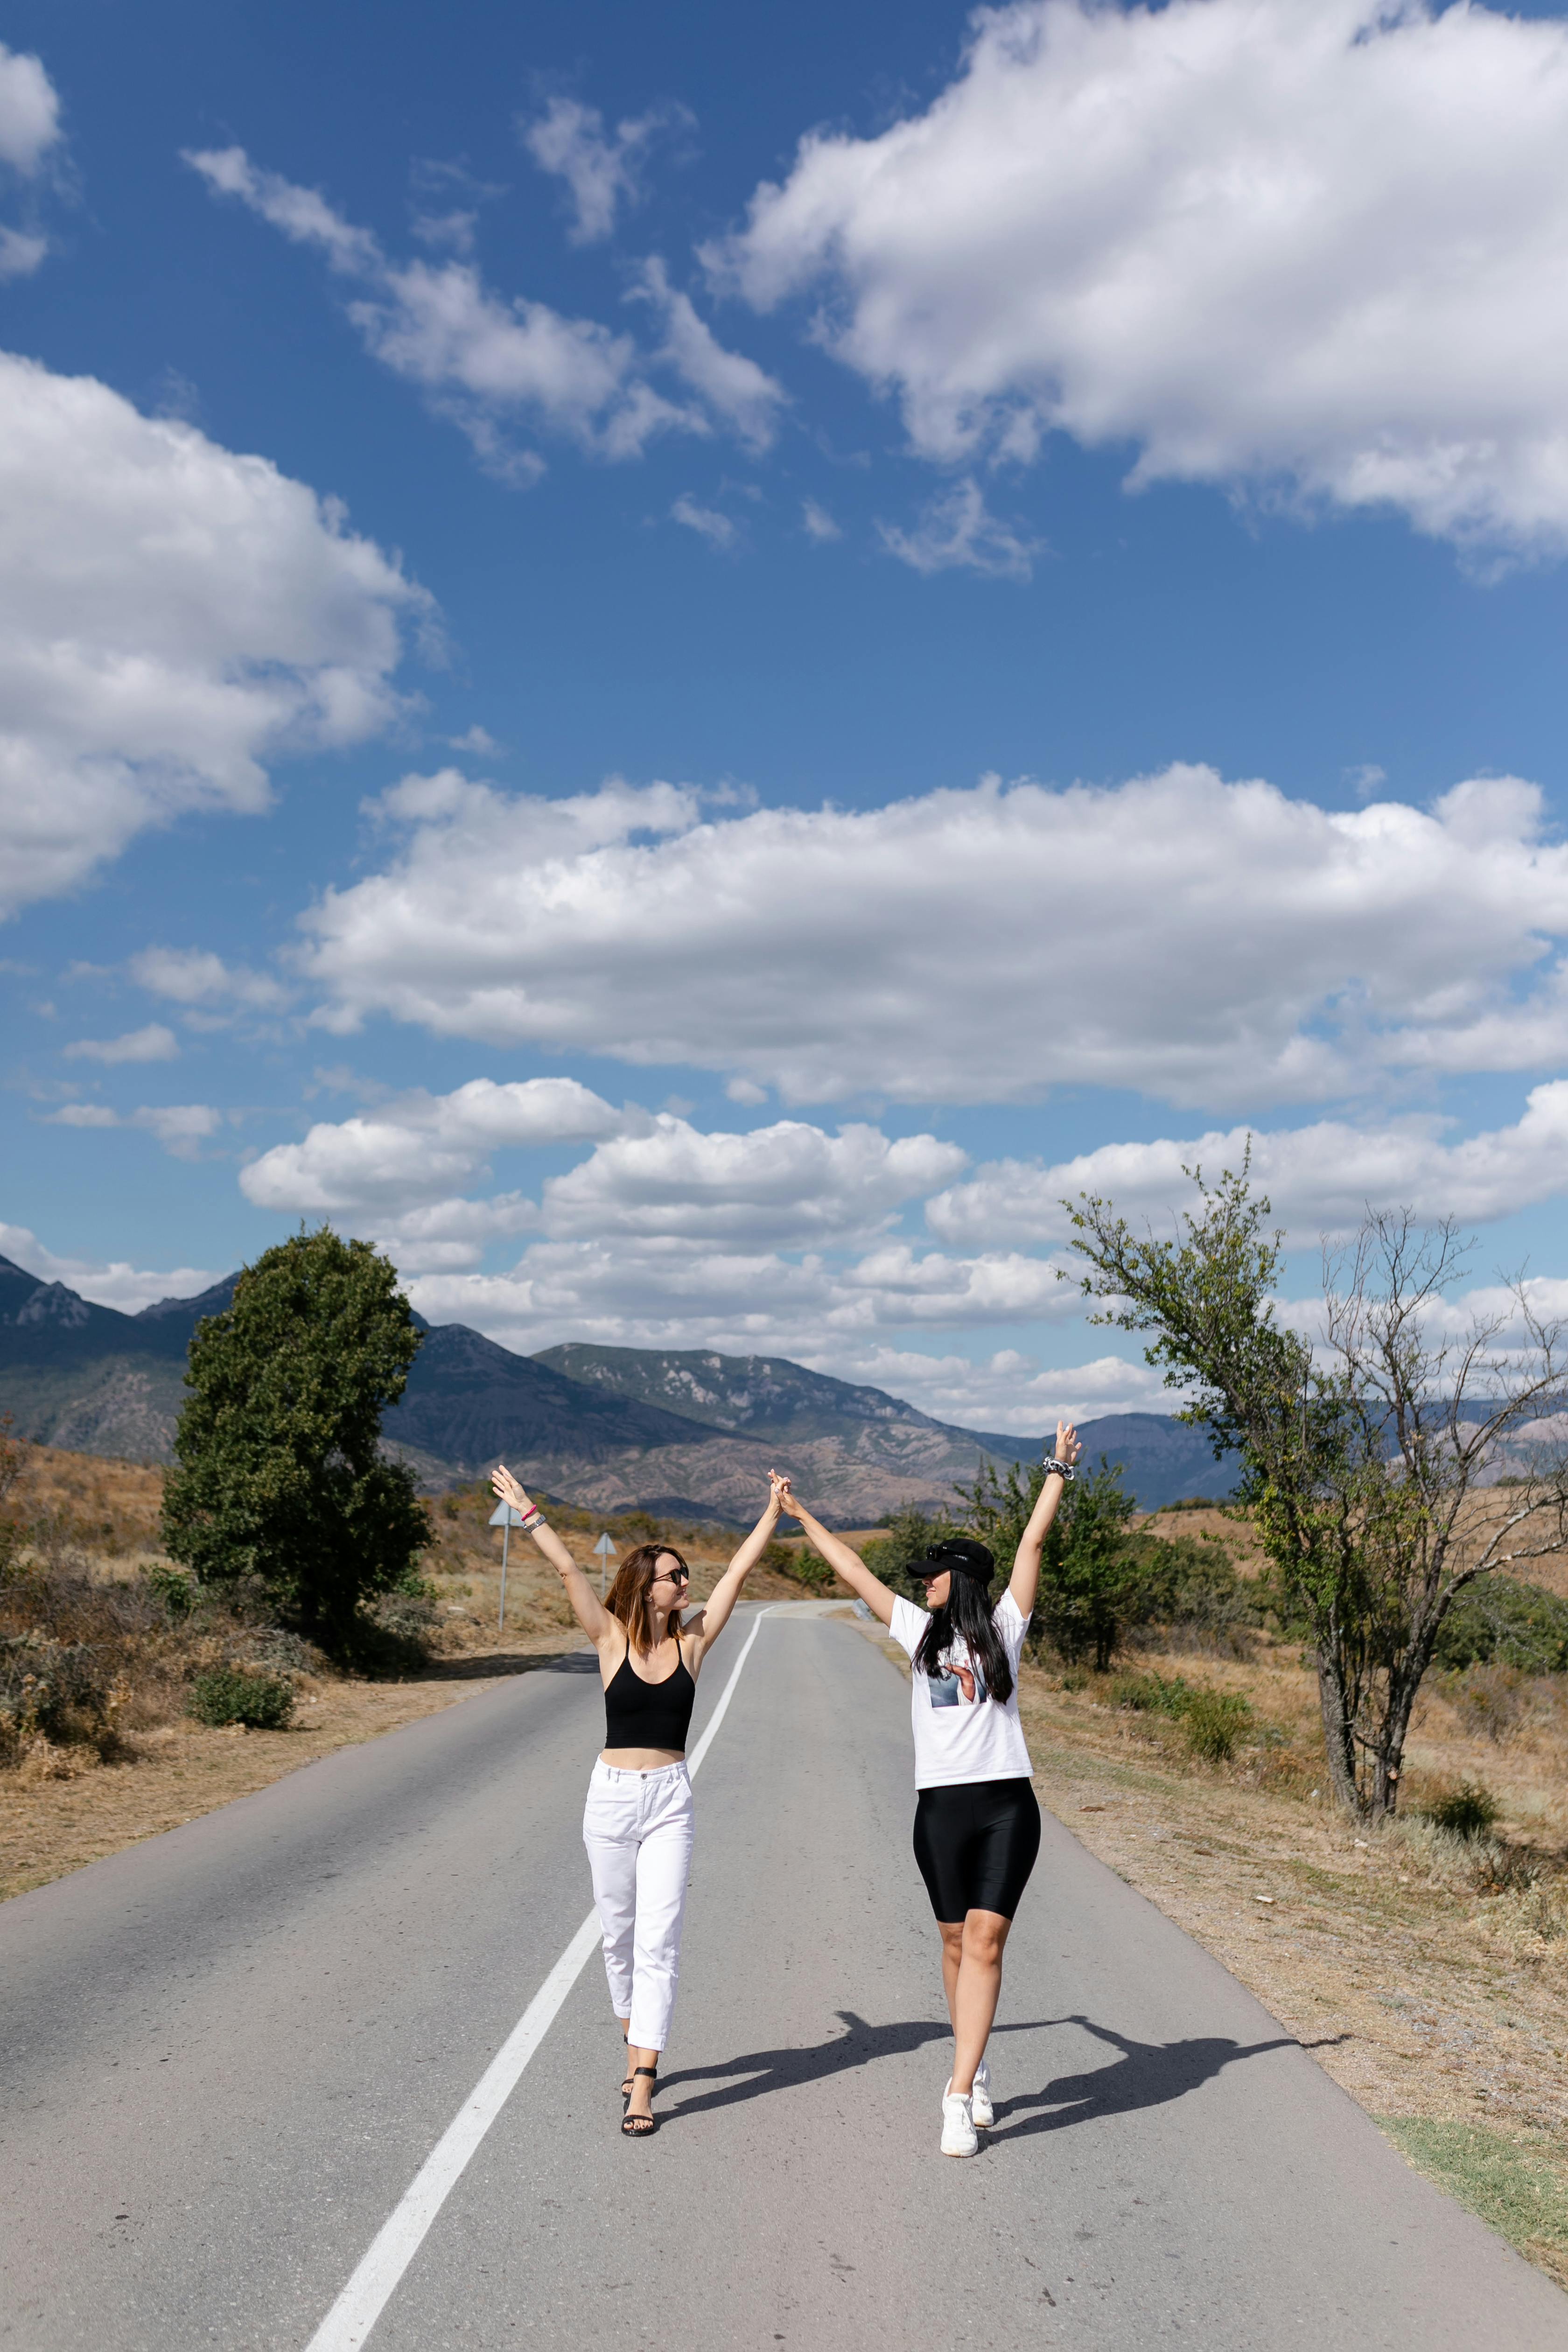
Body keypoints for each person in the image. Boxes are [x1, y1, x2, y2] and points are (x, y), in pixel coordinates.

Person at [775, 1422, 1082, 2158]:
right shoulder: (917, 1630)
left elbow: (1033, 1545)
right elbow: (853, 1571)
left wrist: (1057, 1471)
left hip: (1007, 1804)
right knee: (953, 1941)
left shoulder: (1006, 1626)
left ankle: (955, 2091)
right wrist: (802, 1516)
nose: (922, 1581)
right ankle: (973, 2068)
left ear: (963, 1577)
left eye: (933, 1573)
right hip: (940, 1808)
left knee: (986, 1938)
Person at [490, 1463, 787, 2137]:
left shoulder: (694, 1643)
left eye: (686, 1575)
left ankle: (644, 2080)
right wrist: (531, 1512)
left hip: (670, 1803)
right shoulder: (611, 1640)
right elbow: (570, 1572)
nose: (687, 1583)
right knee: (619, 1936)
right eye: (674, 1576)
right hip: (613, 1800)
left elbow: (738, 1574)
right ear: (646, 1588)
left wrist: (773, 1512)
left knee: (660, 1942)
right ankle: (635, 2043)